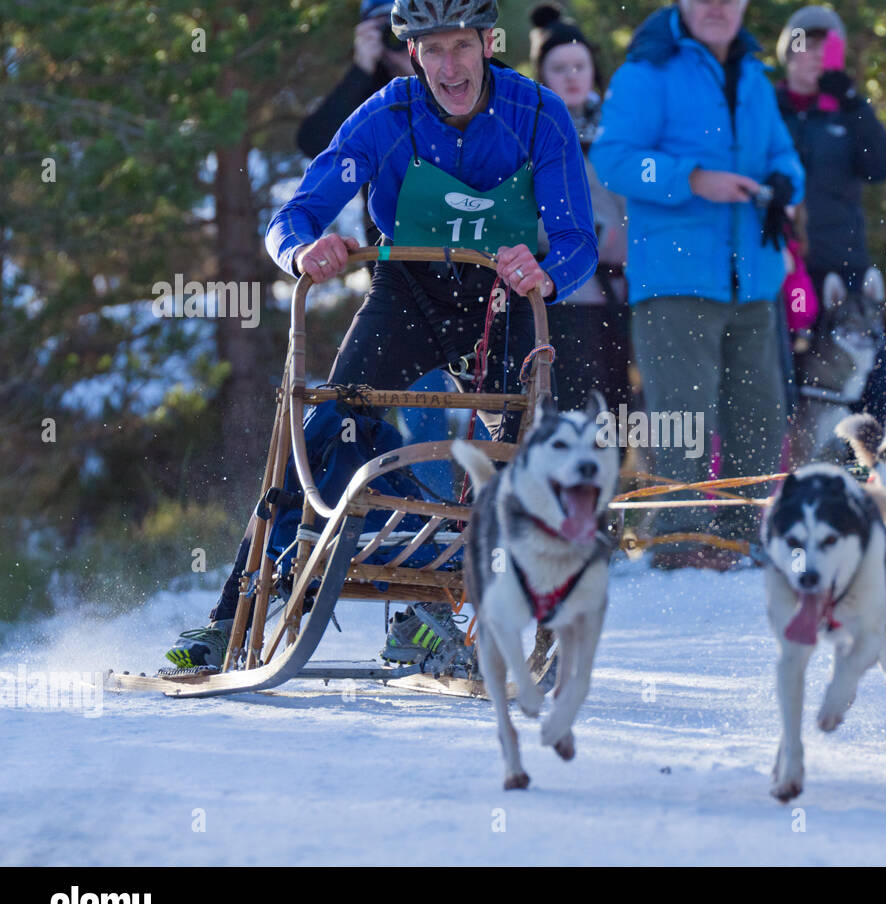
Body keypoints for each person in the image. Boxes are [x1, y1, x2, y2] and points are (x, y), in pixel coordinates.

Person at [165, 0, 597, 672]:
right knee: (331, 425)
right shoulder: (388, 115)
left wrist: (544, 269)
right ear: (412, 52)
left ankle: (436, 612)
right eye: (432, 50)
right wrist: (305, 253)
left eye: (461, 46)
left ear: (489, 41)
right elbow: (294, 217)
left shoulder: (537, 114)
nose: (449, 67)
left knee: (511, 443)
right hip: (410, 295)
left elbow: (578, 243)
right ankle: (235, 614)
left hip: (504, 302)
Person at [590, 0, 804, 571]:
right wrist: (691, 178)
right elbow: (614, 158)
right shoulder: (646, 70)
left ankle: (742, 537)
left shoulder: (755, 72)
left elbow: (783, 153)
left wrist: (787, 180)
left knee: (760, 414)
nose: (717, 6)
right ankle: (676, 545)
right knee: (682, 417)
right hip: (675, 279)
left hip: (753, 277)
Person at [775, 5, 886, 423]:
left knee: (872, 381)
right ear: (788, 53)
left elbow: (885, 164)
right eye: (805, 46)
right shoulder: (767, 109)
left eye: (825, 49)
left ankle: (876, 468)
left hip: (843, 267)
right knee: (788, 377)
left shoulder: (848, 114)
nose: (814, 56)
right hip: (786, 267)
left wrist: (852, 102)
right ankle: (784, 473)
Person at [529, 2, 631, 413]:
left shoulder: (619, 130)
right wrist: (582, 236)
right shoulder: (532, 132)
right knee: (573, 409)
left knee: (619, 411)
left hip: (619, 294)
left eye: (579, 65)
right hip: (563, 298)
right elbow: (522, 213)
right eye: (559, 68)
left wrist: (623, 235)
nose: (571, 76)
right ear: (541, 75)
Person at [297, 2, 416, 251]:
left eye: (403, 24)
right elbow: (313, 142)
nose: (395, 34)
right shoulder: (365, 91)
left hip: (464, 247)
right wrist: (361, 67)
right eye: (387, 26)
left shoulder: (455, 77)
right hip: (387, 258)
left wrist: (418, 68)